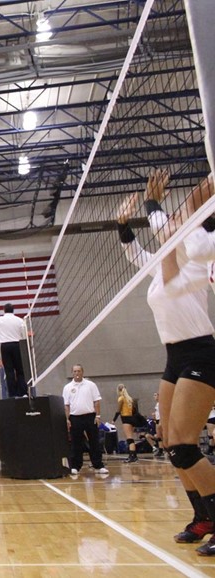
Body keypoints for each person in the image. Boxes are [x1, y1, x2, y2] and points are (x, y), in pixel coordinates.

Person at [116, 171, 215, 551]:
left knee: (186, 446)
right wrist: (122, 224)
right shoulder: (158, 272)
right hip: (174, 356)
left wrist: (153, 204)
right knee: (173, 446)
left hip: (201, 351)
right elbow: (134, 252)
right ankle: (202, 517)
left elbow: (169, 230)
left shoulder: (192, 256)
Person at [62, 365, 107, 476]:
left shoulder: (91, 385)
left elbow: (96, 401)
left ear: (82, 372)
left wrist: (98, 416)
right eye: (75, 371)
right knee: (76, 443)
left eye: (79, 371)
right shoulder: (67, 387)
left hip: (90, 416)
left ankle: (98, 465)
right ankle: (75, 466)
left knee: (94, 441)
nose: (77, 373)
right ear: (72, 373)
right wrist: (67, 419)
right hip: (75, 417)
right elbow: (66, 405)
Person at [115, 384, 143, 463]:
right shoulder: (130, 399)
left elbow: (118, 410)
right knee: (131, 438)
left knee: (129, 438)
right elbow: (135, 411)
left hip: (125, 419)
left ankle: (132, 456)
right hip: (132, 419)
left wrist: (114, 420)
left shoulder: (121, 398)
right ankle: (133, 456)